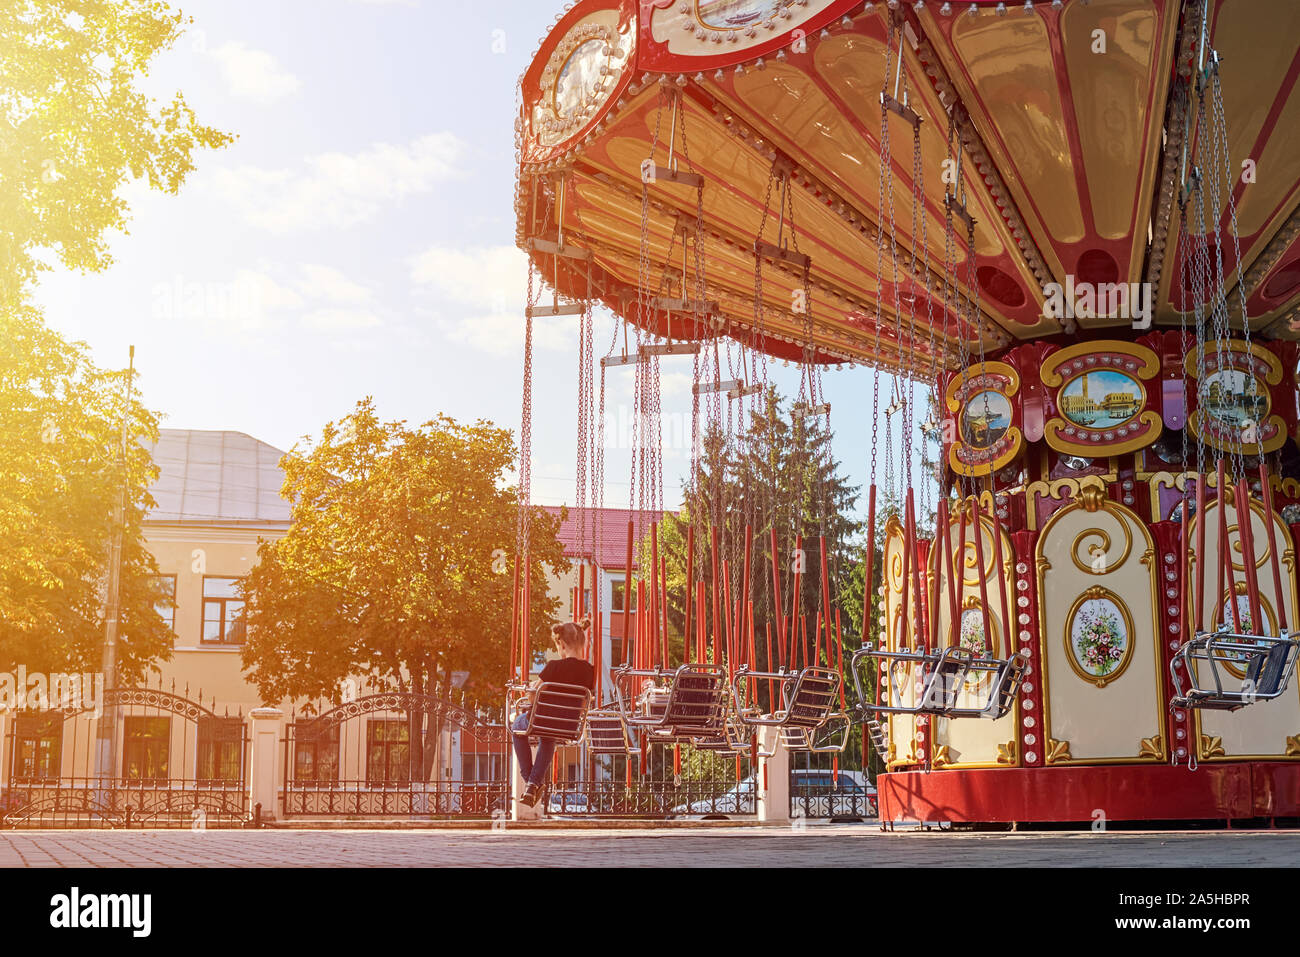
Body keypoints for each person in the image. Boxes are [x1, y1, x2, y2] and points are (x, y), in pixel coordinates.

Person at [511, 618, 595, 819]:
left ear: (562, 644)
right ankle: (532, 785)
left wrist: (532, 689)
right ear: (584, 644)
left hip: (542, 720)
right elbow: (586, 698)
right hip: (568, 725)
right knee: (548, 736)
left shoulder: (553, 667)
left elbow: (533, 695)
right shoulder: (590, 671)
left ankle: (531, 781)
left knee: (516, 726)